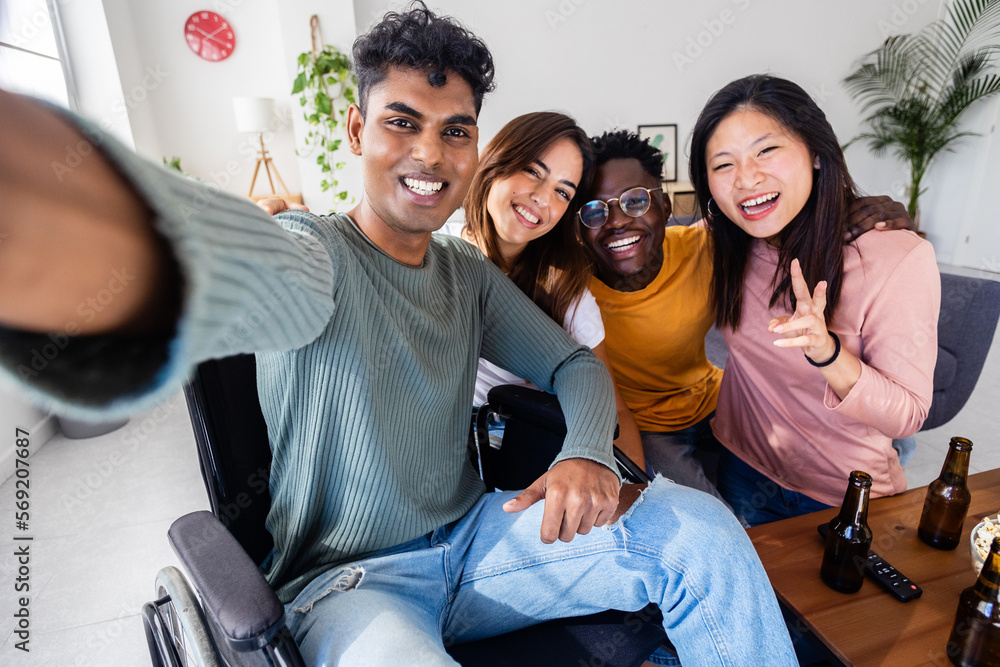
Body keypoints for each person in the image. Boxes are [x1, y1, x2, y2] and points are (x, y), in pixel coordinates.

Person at [0, 5, 800, 665]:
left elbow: (572, 364)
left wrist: (585, 450)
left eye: (455, 131)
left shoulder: (466, 271)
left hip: (481, 540)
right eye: (402, 122)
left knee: (703, 531)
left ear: (475, 148)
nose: (429, 152)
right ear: (356, 129)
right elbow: (235, 257)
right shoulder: (314, 252)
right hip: (351, 587)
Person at [579, 130, 913, 509]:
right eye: (594, 211)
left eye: (635, 201)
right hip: (650, 425)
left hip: (713, 397)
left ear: (666, 206)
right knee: (711, 515)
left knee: (894, 438)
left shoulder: (706, 249)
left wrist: (872, 213)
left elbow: (780, 218)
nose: (617, 222)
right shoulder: (574, 290)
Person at [688, 74, 940, 526]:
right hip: (742, 464)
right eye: (723, 165)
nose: (747, 178)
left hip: (843, 493)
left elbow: (908, 416)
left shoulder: (895, 258)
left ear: (817, 153)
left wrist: (828, 354)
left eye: (766, 150)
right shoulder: (723, 242)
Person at [444, 111, 644, 465]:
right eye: (533, 171)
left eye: (562, 192)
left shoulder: (566, 290)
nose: (541, 197)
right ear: (496, 162)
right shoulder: (430, 251)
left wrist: (628, 496)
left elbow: (614, 410)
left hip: (530, 461)